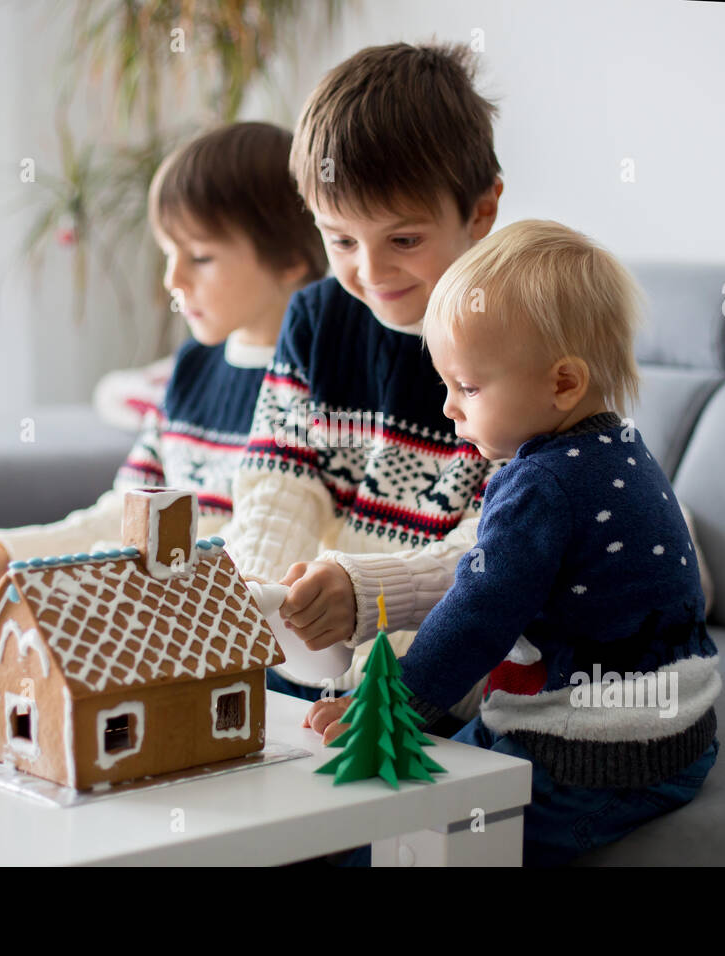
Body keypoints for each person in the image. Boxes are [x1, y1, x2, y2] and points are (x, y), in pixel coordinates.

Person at [306, 220, 723, 866]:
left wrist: (390, 710)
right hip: (682, 737)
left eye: (468, 388)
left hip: (590, 754)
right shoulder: (621, 448)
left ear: (563, 384)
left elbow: (479, 614)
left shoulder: (541, 486)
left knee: (404, 837)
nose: (449, 408)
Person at [225, 42, 505, 722]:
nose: (371, 271)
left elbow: (496, 557)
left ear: (480, 212)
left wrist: (371, 622)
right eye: (342, 240)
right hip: (318, 642)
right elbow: (278, 488)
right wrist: (252, 611)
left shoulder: (513, 334)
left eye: (403, 240)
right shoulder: (317, 318)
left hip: (441, 661)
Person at [0, 122, 326, 592]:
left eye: (200, 257)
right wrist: (9, 556)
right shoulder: (193, 367)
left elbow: (284, 545)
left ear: (290, 258)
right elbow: (128, 513)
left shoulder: (324, 377)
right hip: (168, 611)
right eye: (167, 253)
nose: (172, 279)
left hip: (248, 626)